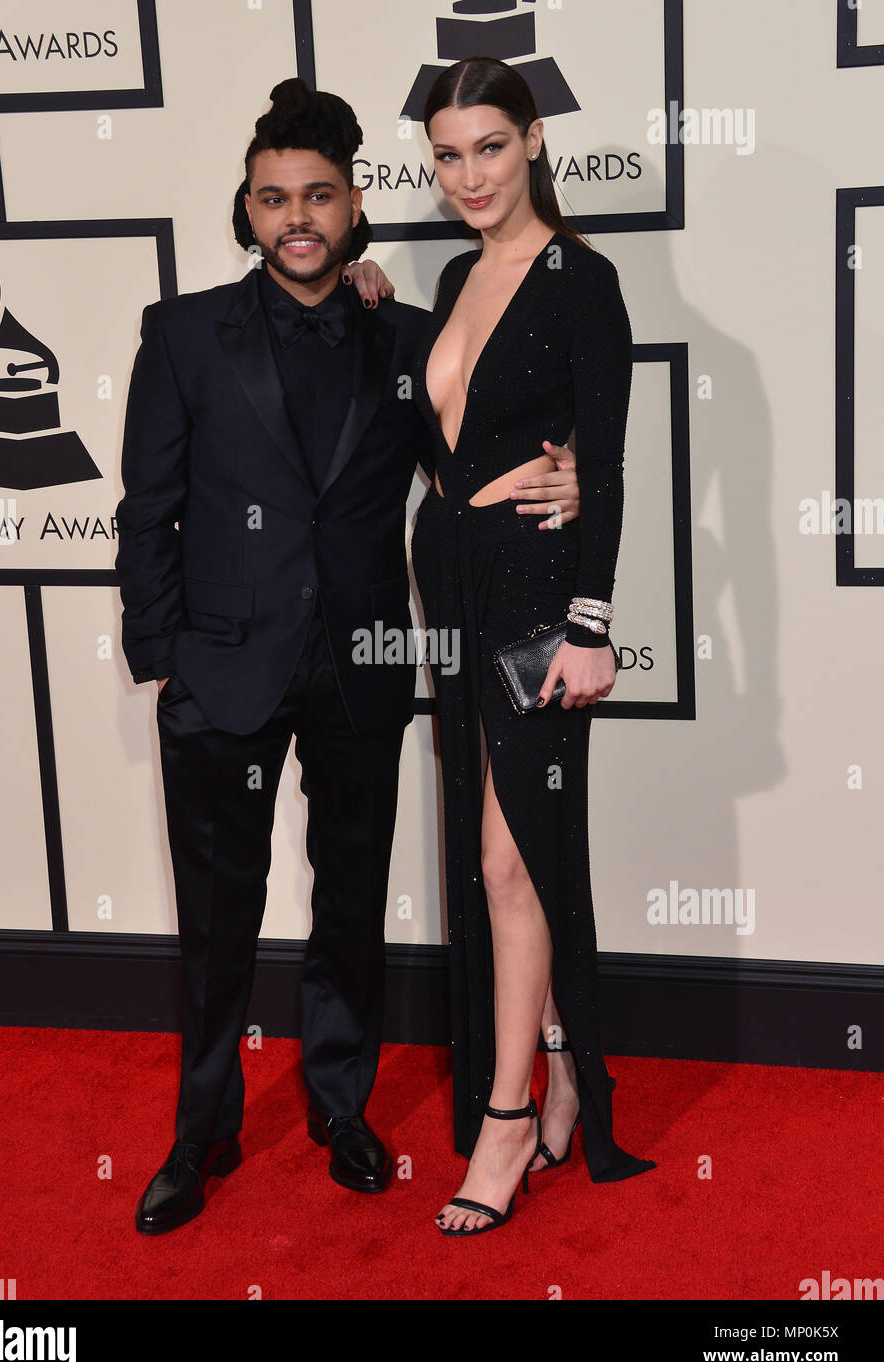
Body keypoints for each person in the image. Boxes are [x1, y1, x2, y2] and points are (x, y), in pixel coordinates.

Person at [114, 76, 582, 1235]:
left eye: (318, 195)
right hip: (222, 670)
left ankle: (339, 1107)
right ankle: (202, 1130)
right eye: (274, 198)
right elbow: (146, 509)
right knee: (216, 922)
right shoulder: (180, 332)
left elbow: (470, 464)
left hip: (365, 664)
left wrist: (565, 476)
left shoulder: (405, 335)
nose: (297, 217)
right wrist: (163, 657)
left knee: (351, 907)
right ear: (248, 208)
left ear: (354, 203)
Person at [405, 56, 657, 1234]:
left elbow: (599, 466)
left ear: (536, 140)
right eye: (449, 154)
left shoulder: (583, 283)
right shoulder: (457, 274)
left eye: (490, 148)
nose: (469, 175)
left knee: (517, 863)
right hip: (453, 585)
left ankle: (507, 1119)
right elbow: (446, 431)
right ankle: (557, 1072)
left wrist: (594, 627)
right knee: (496, 858)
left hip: (538, 601)